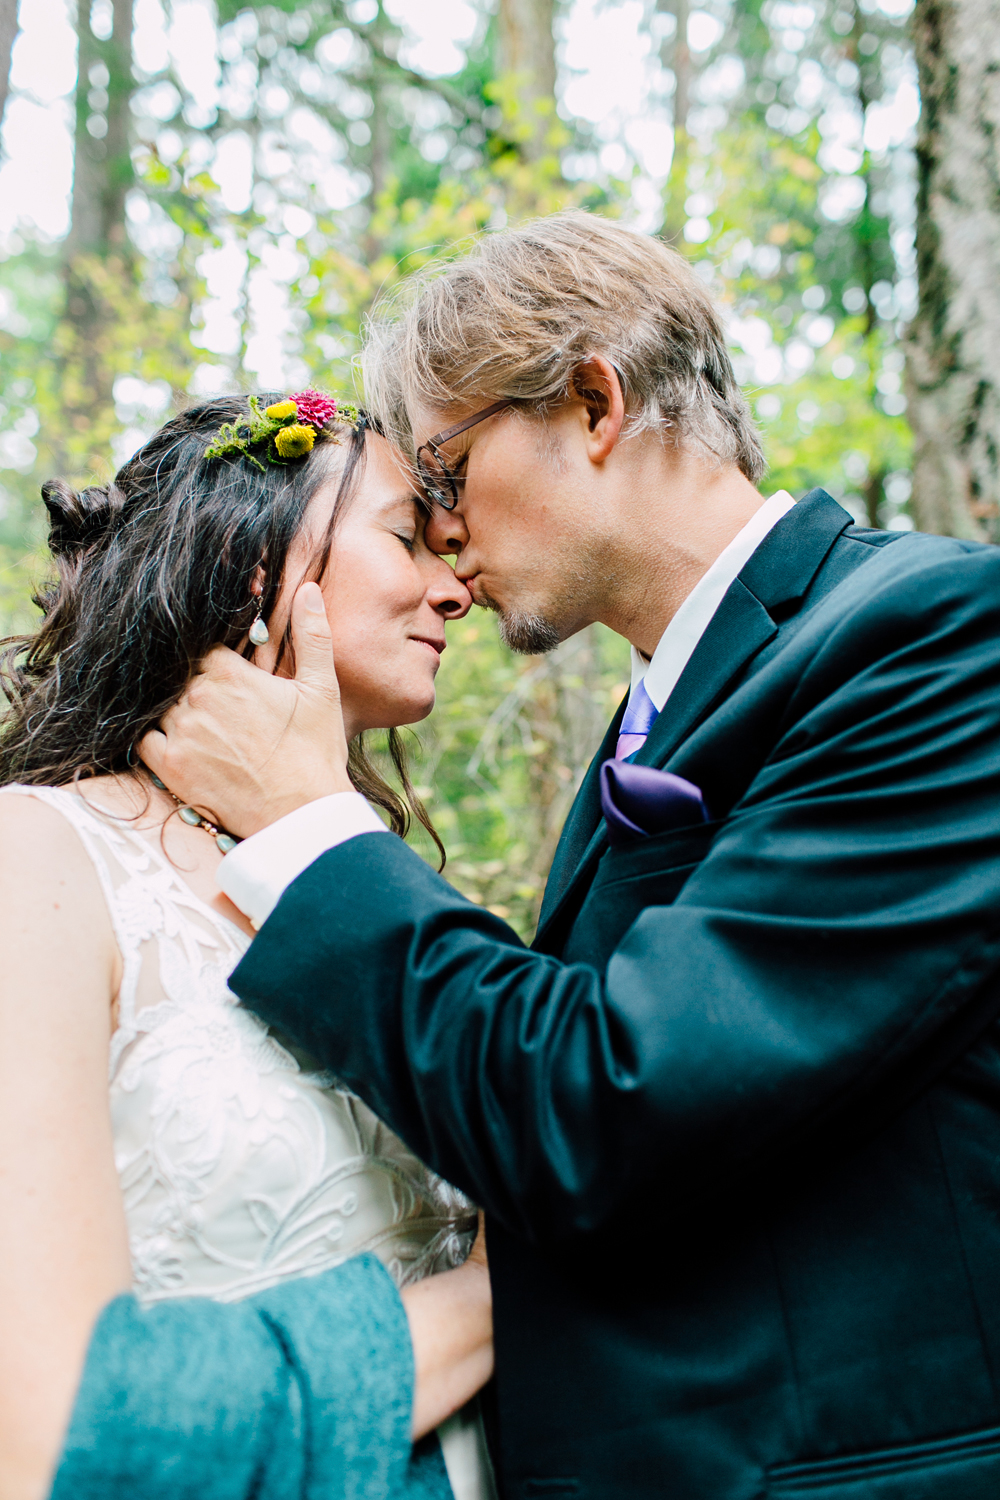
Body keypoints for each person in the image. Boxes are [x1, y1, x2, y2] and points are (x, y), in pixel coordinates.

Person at [144, 211, 1000, 1500]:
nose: (443, 537)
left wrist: (308, 824)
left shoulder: (936, 637)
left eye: (444, 469)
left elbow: (620, 1094)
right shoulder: (656, 712)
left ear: (592, 402)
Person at [0, 394, 495, 1500]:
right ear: (251, 556)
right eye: (406, 536)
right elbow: (45, 1428)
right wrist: (490, 1305)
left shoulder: (370, 890)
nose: (458, 590)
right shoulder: (34, 860)